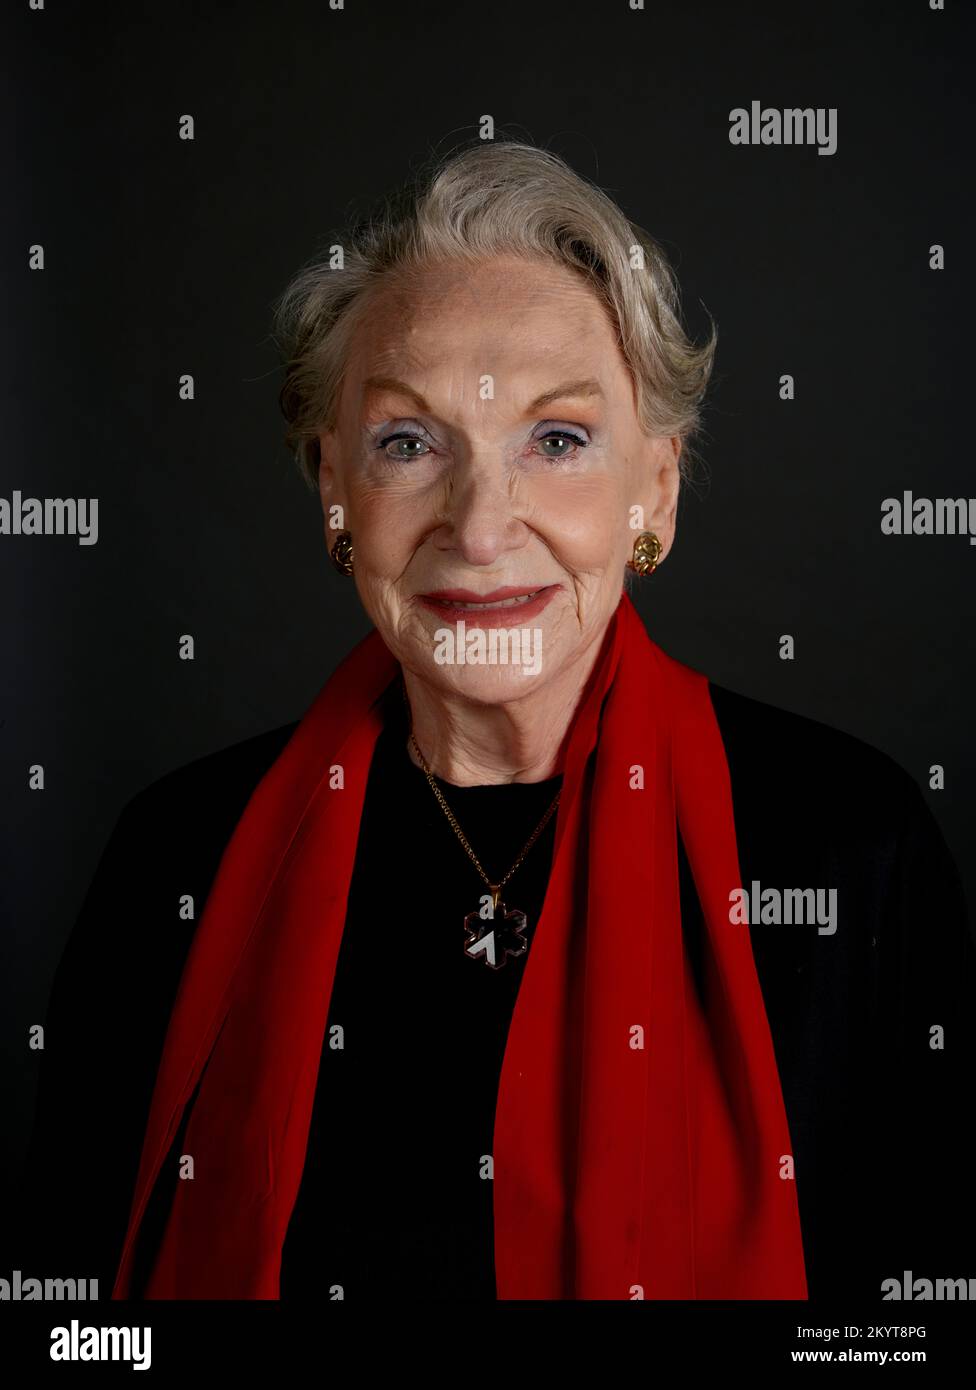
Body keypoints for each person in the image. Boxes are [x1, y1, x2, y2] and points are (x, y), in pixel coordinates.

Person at [16, 139, 975, 1302]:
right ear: (334, 489)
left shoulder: (849, 847)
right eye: (408, 443)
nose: (480, 528)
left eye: (557, 441)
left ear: (653, 492)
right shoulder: (177, 856)